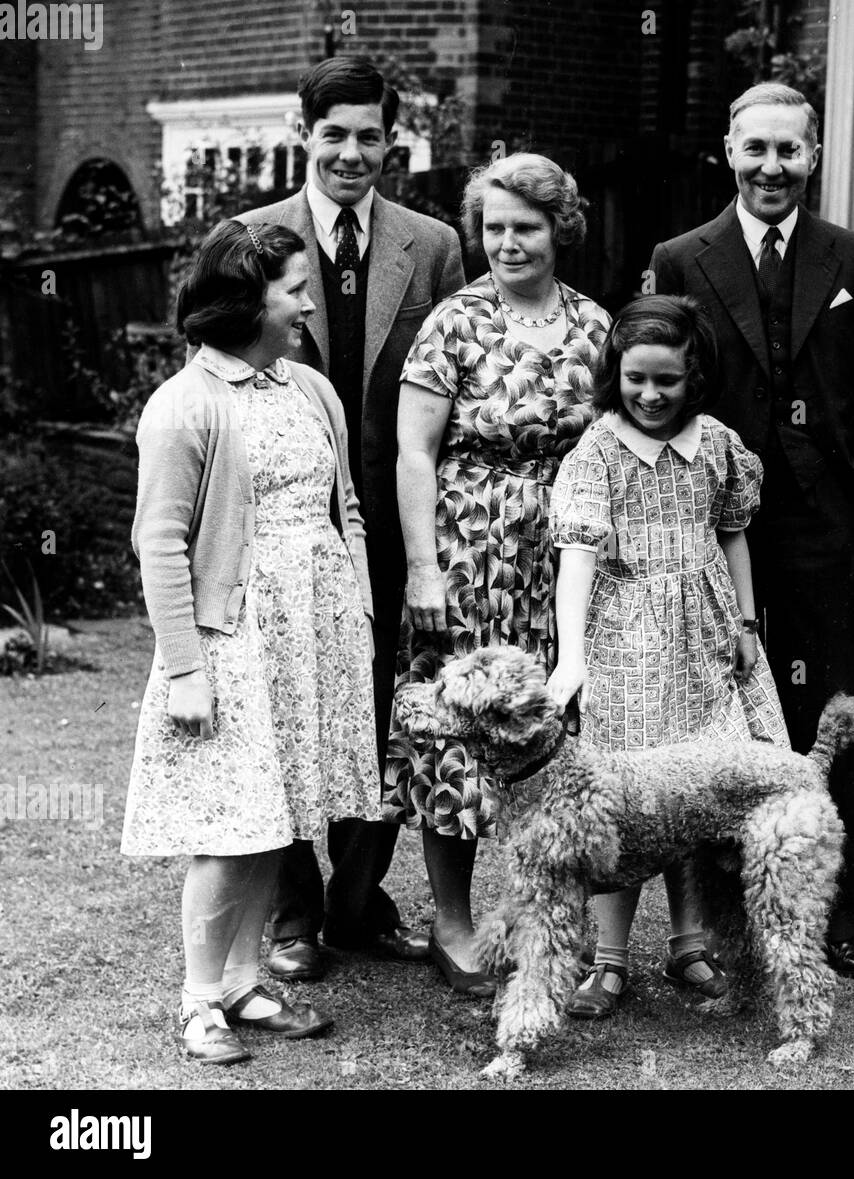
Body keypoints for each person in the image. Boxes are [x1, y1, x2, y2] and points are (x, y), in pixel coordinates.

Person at [651, 83, 854, 980]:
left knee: (832, 721)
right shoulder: (682, 258)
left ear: (814, 156)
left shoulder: (850, 256)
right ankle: (728, 933)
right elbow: (656, 387)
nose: (772, 167)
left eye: (789, 151)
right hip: (715, 533)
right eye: (755, 148)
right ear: (729, 150)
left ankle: (832, 922)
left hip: (824, 532)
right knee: (723, 733)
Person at [122, 219, 381, 1063]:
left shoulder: (309, 389)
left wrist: (361, 610)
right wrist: (188, 670)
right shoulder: (185, 405)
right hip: (231, 638)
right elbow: (158, 541)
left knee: (278, 820)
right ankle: (199, 1000)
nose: (310, 302)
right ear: (247, 301)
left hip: (312, 632)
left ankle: (242, 982)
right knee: (229, 824)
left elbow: (347, 507)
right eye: (294, 289)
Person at [236, 57, 466, 980]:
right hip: (287, 534)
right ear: (305, 135)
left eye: (370, 135)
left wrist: (428, 546)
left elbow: (449, 389)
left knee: (384, 715)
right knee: (288, 713)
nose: (352, 153)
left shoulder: (433, 245)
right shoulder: (252, 236)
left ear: (390, 140)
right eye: (334, 134)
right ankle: (293, 914)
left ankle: (356, 902)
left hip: (390, 531)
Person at [385, 152, 610, 996]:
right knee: (457, 734)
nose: (507, 244)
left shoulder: (596, 325)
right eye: (494, 228)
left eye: (526, 227)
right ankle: (452, 920)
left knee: (555, 738)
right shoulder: (454, 321)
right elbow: (414, 452)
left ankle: (545, 922)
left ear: (560, 229)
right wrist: (422, 570)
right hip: (467, 553)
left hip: (564, 560)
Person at [546, 295, 789, 1017]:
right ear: (613, 376)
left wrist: (748, 621)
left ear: (696, 377)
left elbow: (732, 533)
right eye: (635, 379)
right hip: (628, 641)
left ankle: (692, 944)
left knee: (701, 791)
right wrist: (571, 659)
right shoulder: (597, 451)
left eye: (668, 381)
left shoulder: (715, 444)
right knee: (627, 799)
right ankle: (611, 960)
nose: (650, 395)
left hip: (708, 638)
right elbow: (577, 558)